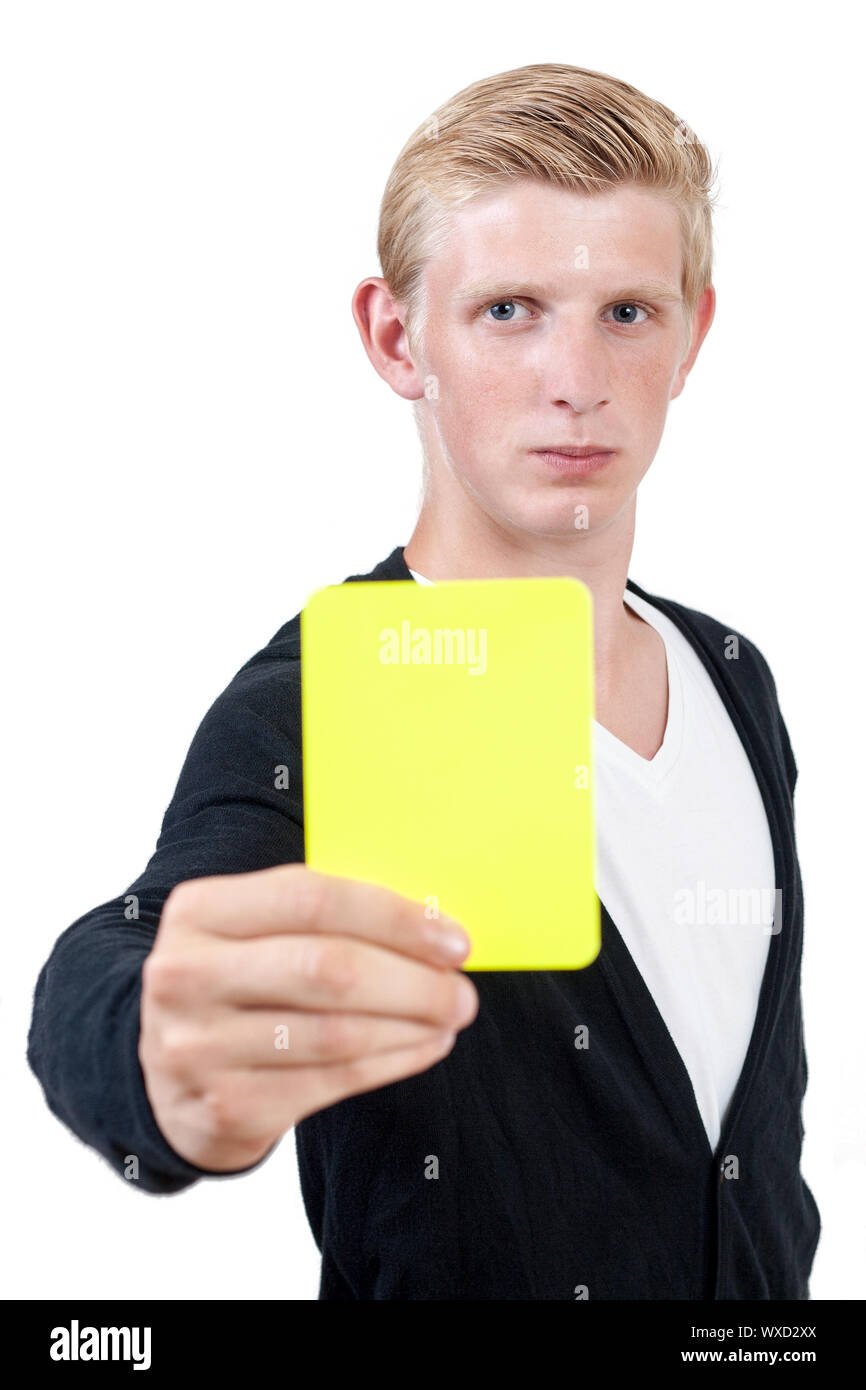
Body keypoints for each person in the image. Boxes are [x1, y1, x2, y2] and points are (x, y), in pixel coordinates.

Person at [28, 62, 820, 1300]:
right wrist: (155, 1058)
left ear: (691, 336)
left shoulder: (732, 676)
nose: (576, 376)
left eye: (627, 311)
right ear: (399, 338)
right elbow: (131, 953)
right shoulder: (321, 694)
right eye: (508, 309)